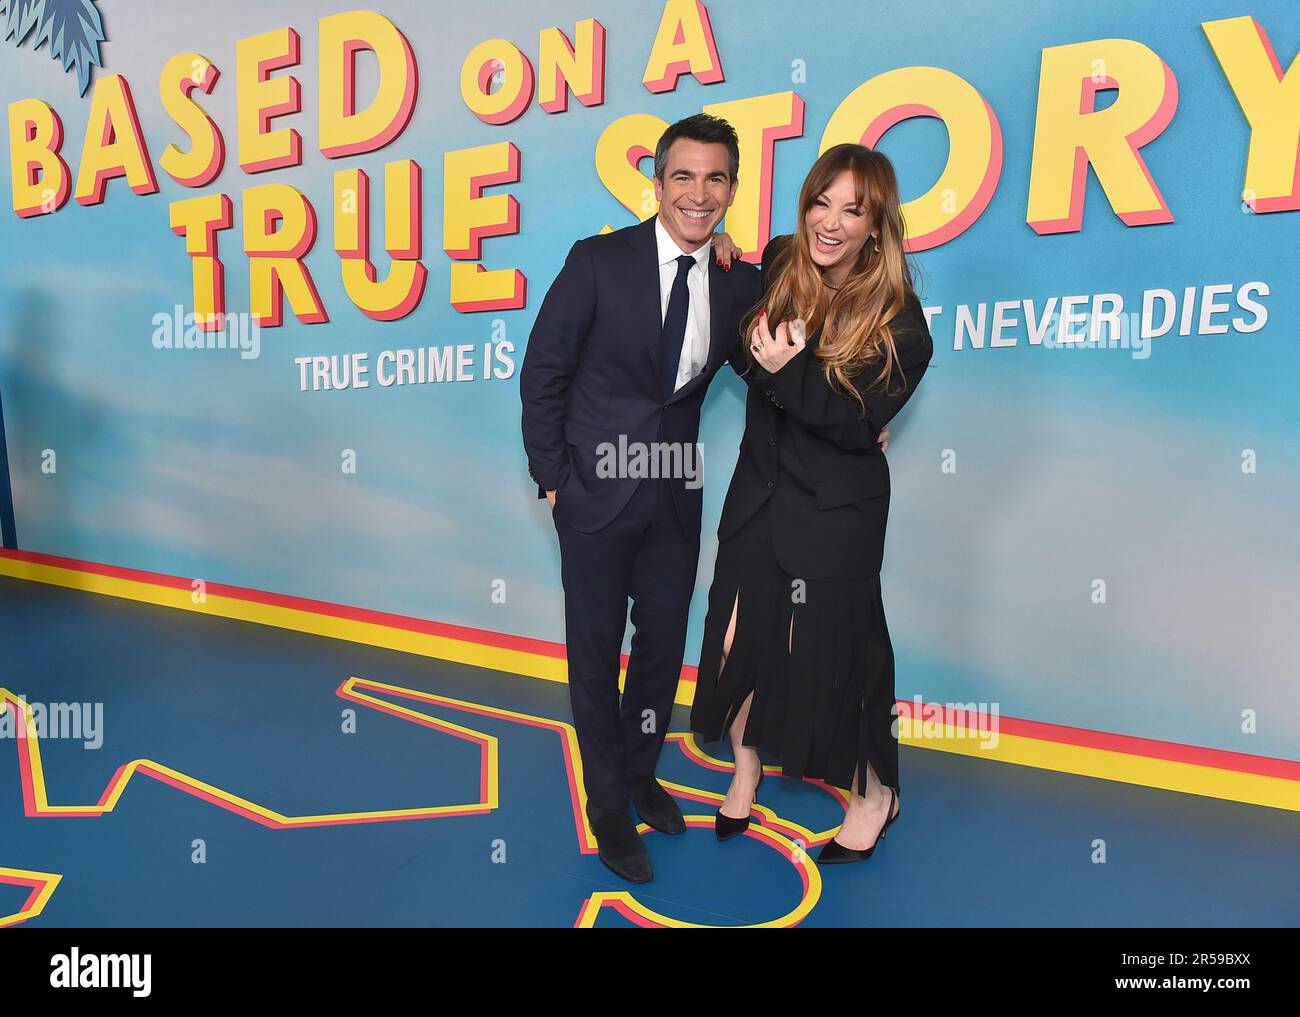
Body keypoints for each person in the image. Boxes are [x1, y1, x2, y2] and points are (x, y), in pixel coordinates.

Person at [519, 114, 765, 884]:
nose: (699, 192)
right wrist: (553, 476)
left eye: (715, 178)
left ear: (731, 188)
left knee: (660, 648)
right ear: (656, 184)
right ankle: (606, 804)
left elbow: (780, 351)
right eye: (683, 177)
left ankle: (637, 769)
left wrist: (865, 413)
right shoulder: (596, 262)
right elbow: (544, 372)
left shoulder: (740, 280)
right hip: (592, 494)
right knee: (594, 653)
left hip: (674, 493)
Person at [690, 142, 934, 863]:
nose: (829, 221)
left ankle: (875, 794)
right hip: (759, 496)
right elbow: (741, 342)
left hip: (835, 517)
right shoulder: (775, 262)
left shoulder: (903, 322)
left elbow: (849, 423)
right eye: (821, 201)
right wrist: (719, 250)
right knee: (735, 645)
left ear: (876, 224)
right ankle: (745, 767)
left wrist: (788, 375)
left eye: (851, 209)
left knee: (838, 663)